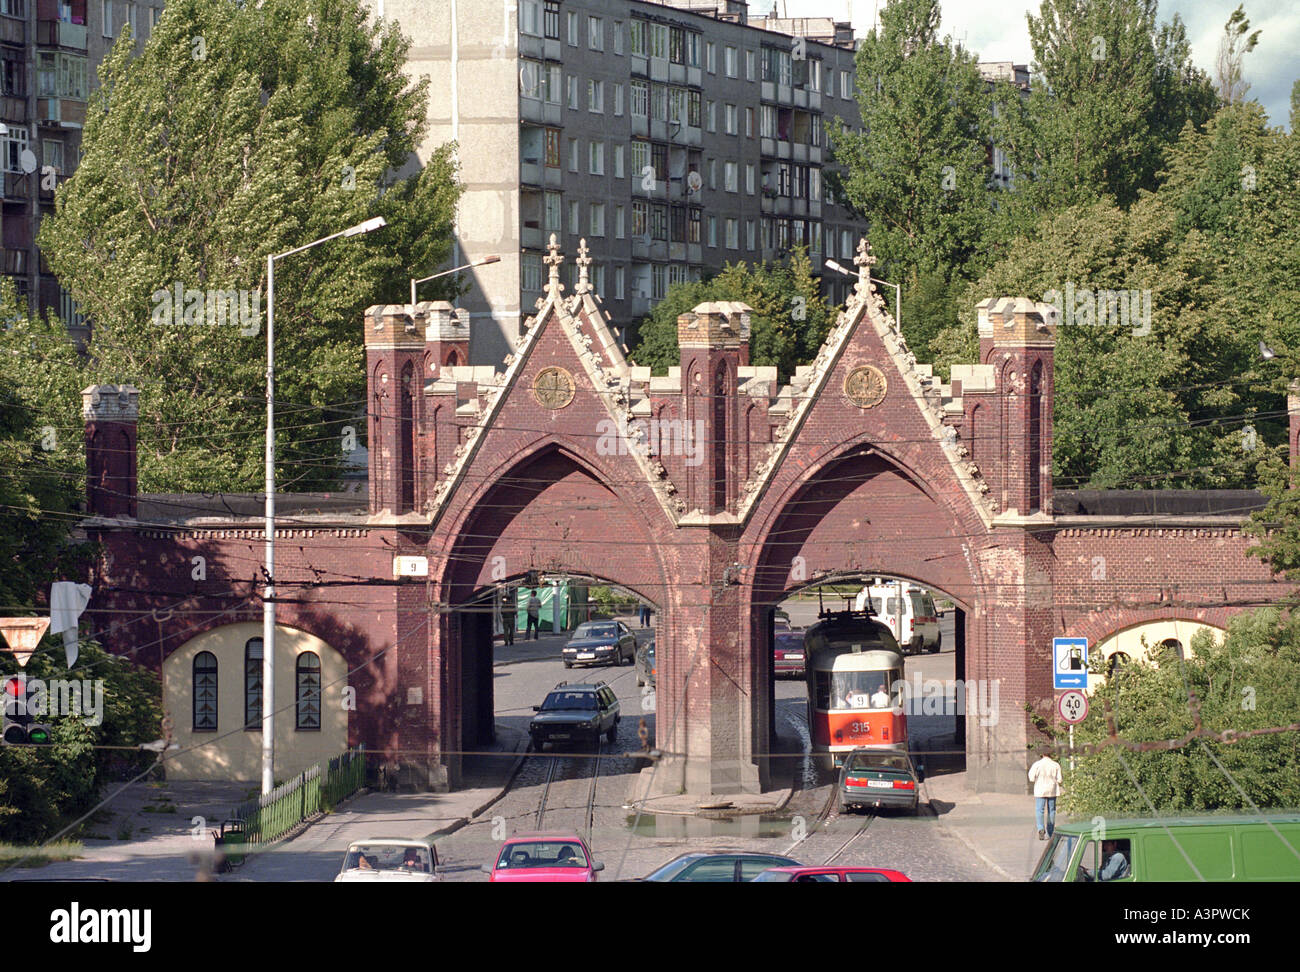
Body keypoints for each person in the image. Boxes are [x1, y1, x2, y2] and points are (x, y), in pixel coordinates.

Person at [1028, 749, 1063, 840]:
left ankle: (1041, 829)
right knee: (1052, 811)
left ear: (1042, 753)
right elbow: (1060, 779)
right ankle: (1050, 831)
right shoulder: (1056, 765)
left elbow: (1031, 778)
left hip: (1040, 789)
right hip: (1052, 790)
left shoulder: (1037, 764)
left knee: (1040, 810)